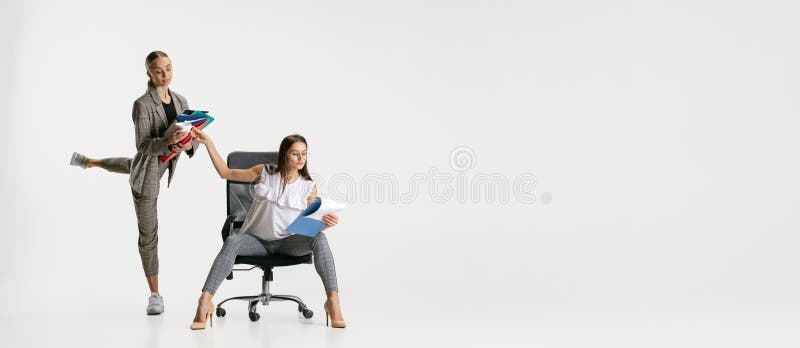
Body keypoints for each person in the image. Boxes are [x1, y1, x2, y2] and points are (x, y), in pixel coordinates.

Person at [69, 51, 199, 315]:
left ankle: (91, 161)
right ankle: (155, 295)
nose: (165, 74)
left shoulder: (182, 100)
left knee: (128, 165)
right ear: (149, 74)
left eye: (169, 68)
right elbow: (142, 145)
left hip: (161, 165)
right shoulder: (142, 104)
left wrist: (189, 143)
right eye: (158, 70)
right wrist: (168, 142)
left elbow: (191, 136)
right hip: (148, 174)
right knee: (148, 235)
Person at [187, 130, 346, 330]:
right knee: (233, 241)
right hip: (256, 242)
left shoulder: (308, 187)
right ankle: (205, 300)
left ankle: (333, 301)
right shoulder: (265, 172)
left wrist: (323, 224)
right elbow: (225, 173)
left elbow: (307, 224)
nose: (301, 158)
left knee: (320, 238)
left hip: (287, 244)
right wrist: (209, 143)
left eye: (304, 153)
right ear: (284, 154)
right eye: (295, 153)